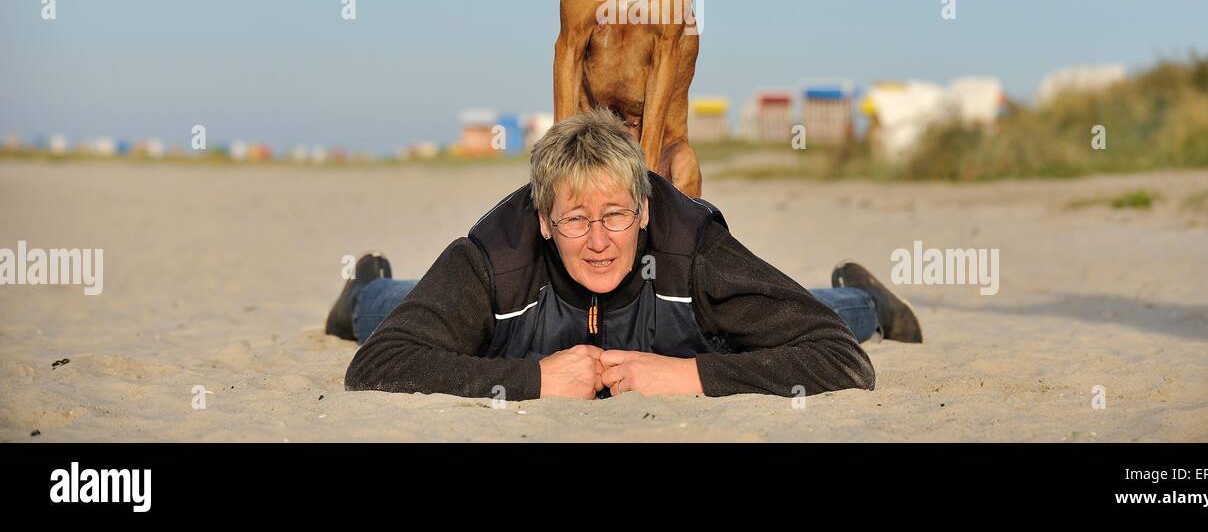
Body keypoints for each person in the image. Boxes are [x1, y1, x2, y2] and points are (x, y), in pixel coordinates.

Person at [329, 107, 922, 400]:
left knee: (829, 311)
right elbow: (377, 365)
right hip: (504, 327)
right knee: (391, 306)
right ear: (543, 219)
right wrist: (532, 379)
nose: (597, 241)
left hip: (687, 335)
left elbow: (841, 359)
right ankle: (364, 282)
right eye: (575, 220)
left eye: (614, 216)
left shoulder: (694, 249)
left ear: (643, 211)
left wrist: (687, 374)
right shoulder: (495, 253)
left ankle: (863, 292)